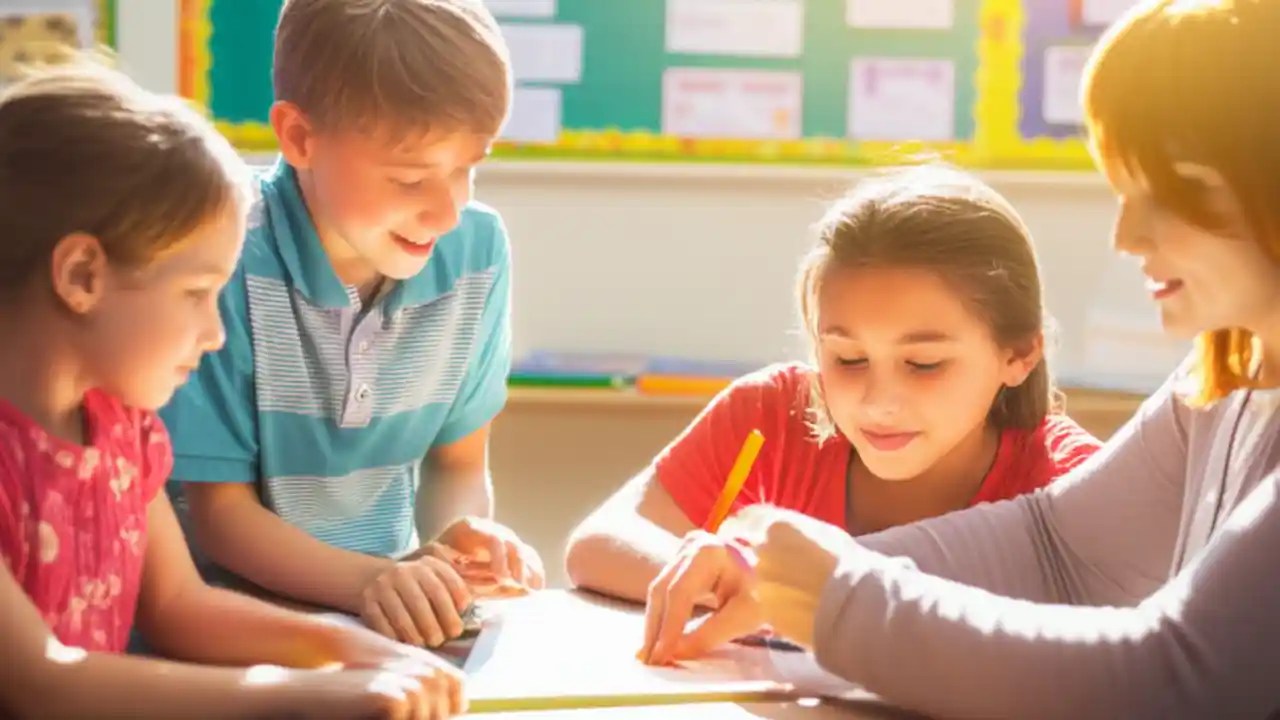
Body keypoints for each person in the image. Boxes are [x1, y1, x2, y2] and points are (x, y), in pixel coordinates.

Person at [640, 1, 1280, 717]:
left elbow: (1183, 677)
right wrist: (788, 575)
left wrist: (843, 599)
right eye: (1126, 192)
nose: (1126, 237)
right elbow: (1056, 545)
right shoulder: (1224, 378)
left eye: (1178, 190)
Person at [0, 61, 464, 720]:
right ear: (81, 276)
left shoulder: (121, 430)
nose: (216, 332)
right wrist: (305, 694)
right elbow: (42, 683)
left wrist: (353, 648)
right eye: (195, 294)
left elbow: (179, 607)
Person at [161, 0, 543, 650]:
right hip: (232, 645)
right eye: (411, 177)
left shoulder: (477, 252)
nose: (448, 210)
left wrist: (452, 545)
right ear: (300, 138)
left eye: (467, 167)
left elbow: (456, 462)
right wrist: (371, 581)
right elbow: (220, 515)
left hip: (377, 633)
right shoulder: (220, 256)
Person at [565, 165, 1100, 603]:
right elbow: (598, 543)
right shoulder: (772, 413)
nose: (878, 402)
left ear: (1020, 354)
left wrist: (821, 600)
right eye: (847, 358)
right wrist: (735, 582)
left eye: (924, 363)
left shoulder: (1078, 483)